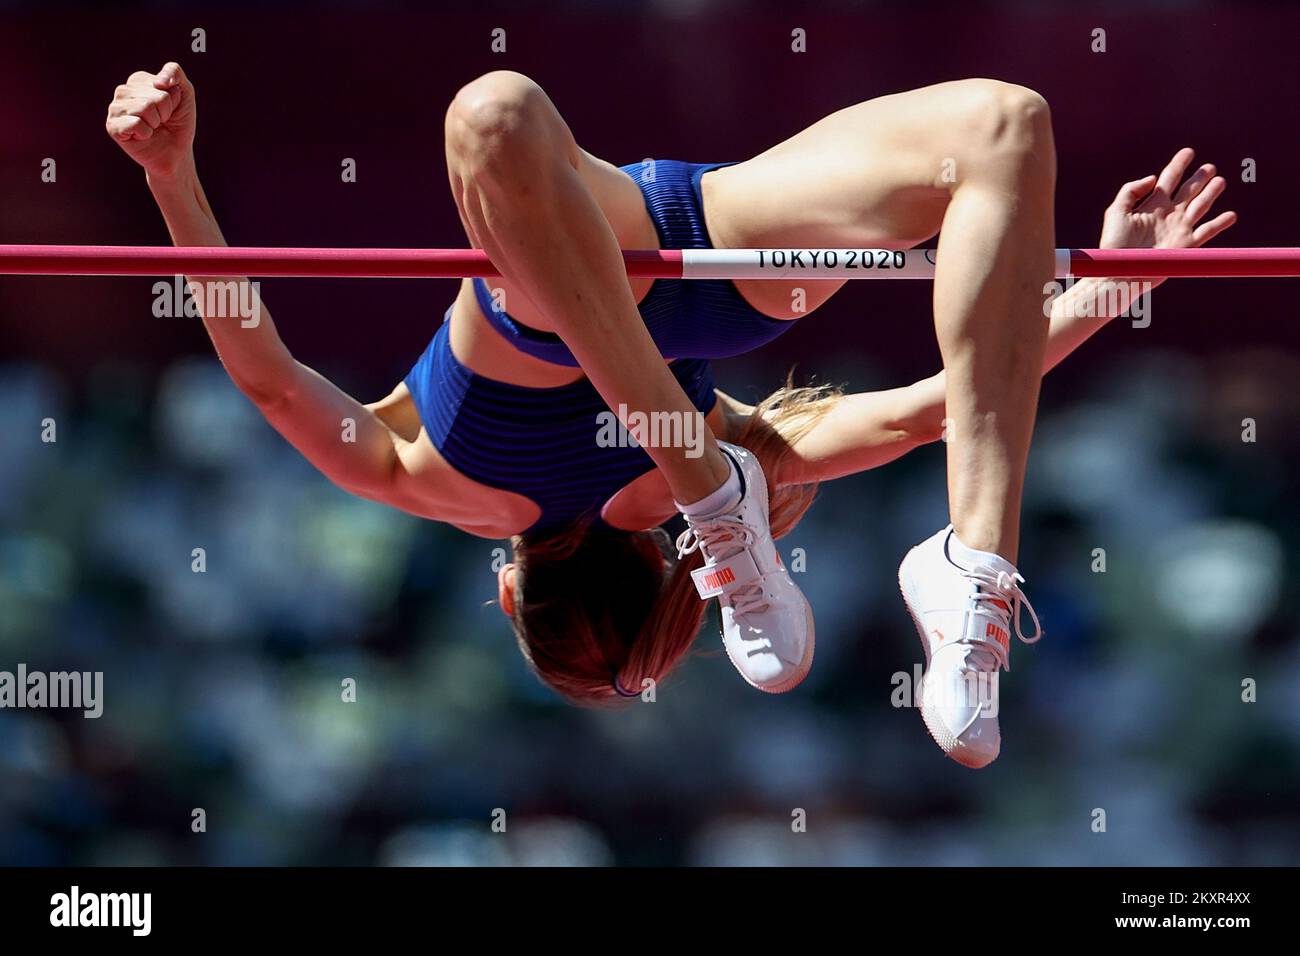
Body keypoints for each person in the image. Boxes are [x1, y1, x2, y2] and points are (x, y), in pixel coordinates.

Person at [106, 64, 1234, 767]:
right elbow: (260, 371)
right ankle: (967, 562)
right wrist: (170, 172)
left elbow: (928, 412)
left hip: (726, 267)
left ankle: (952, 551)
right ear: (509, 597)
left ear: (663, 575)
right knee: (493, 113)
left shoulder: (732, 449)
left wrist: (1111, 291)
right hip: (679, 245)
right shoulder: (417, 477)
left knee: (1004, 125)